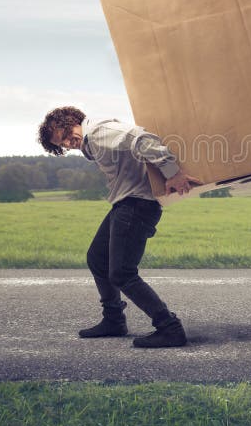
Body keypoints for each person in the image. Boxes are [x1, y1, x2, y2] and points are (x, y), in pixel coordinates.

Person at [37, 106, 200, 348]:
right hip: (125, 203)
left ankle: (170, 328)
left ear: (71, 121)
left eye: (66, 135)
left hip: (137, 205)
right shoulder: (92, 141)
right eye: (62, 144)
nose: (68, 143)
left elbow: (141, 139)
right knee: (97, 258)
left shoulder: (99, 132)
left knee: (122, 273)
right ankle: (113, 320)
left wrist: (173, 173)